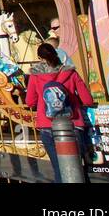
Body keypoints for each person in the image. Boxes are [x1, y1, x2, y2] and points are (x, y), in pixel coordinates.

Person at [26, 43, 94, 183]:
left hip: (48, 125)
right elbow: (87, 100)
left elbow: (30, 102)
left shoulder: (36, 75)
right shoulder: (70, 72)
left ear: (40, 58)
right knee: (77, 169)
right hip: (73, 123)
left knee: (59, 170)